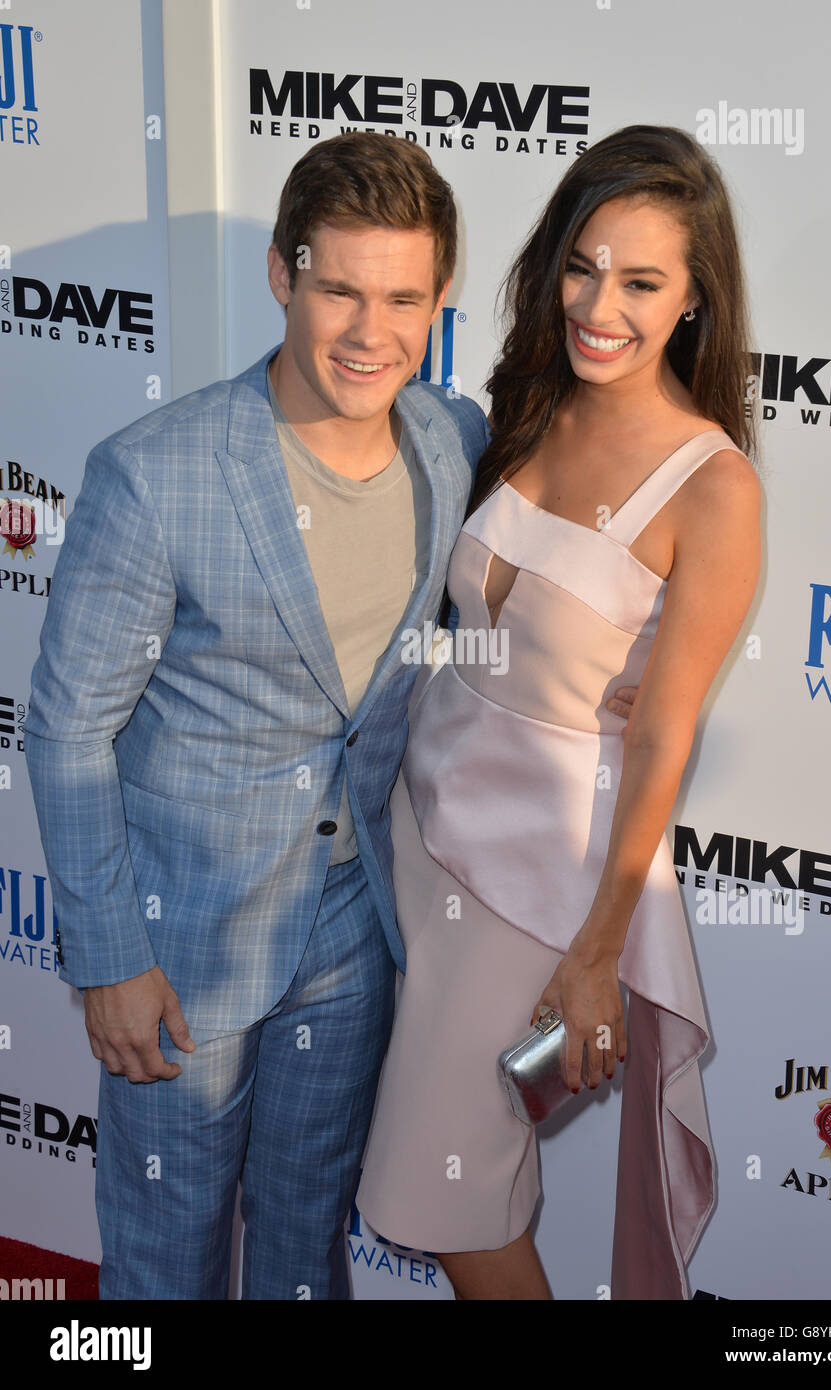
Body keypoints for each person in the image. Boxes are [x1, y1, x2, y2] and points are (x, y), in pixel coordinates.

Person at [23, 131, 637, 1300]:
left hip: (354, 937)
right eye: (339, 289)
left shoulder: (451, 442)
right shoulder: (158, 471)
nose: (370, 331)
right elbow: (65, 731)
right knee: (168, 1260)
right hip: (183, 950)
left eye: (403, 297)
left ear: (439, 298)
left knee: (306, 1249)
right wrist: (109, 957)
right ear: (282, 274)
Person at [356, 124, 762, 1300]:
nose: (600, 304)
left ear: (693, 299)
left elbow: (665, 733)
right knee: (474, 1181)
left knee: (441, 1201)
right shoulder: (531, 401)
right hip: (414, 824)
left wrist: (597, 957)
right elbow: (475, 625)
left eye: (641, 281)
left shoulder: (713, 487)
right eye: (582, 266)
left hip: (538, 886)